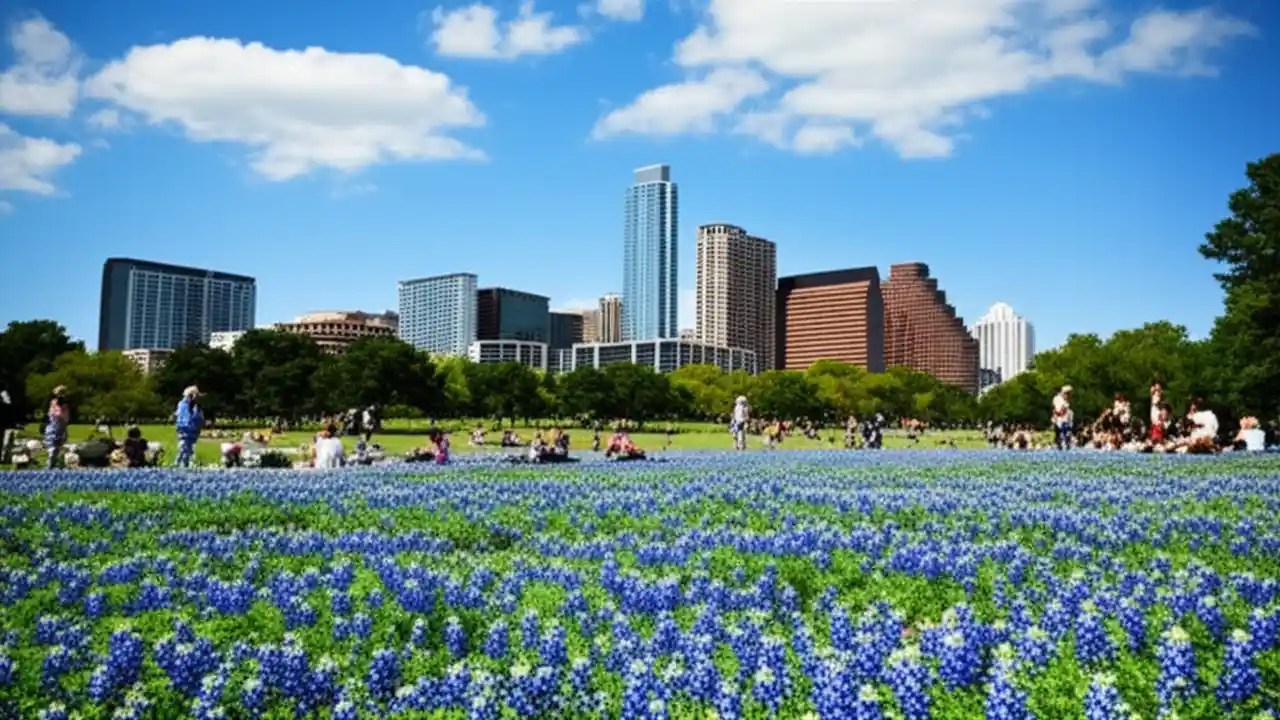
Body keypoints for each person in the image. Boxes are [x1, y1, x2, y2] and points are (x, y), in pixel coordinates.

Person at [174, 386, 204, 467]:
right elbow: (184, 421)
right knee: (183, 451)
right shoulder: (183, 405)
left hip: (192, 435)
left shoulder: (195, 407)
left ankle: (184, 466)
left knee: (188, 453)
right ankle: (177, 466)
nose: (198, 398)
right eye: (196, 396)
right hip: (185, 434)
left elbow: (199, 420)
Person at [43, 385, 71, 469]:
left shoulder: (63, 402)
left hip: (60, 425)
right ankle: (51, 463)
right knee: (53, 445)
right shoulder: (56, 402)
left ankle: (53, 463)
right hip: (55, 425)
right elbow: (58, 413)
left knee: (58, 445)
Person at [1051, 385, 1074, 450]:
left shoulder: (1066, 402)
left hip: (1063, 418)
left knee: (1066, 432)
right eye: (1068, 393)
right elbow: (1057, 410)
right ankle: (1060, 445)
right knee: (1058, 433)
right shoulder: (1057, 399)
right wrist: (1055, 416)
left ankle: (1066, 444)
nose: (1069, 395)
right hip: (1060, 418)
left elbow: (1062, 411)